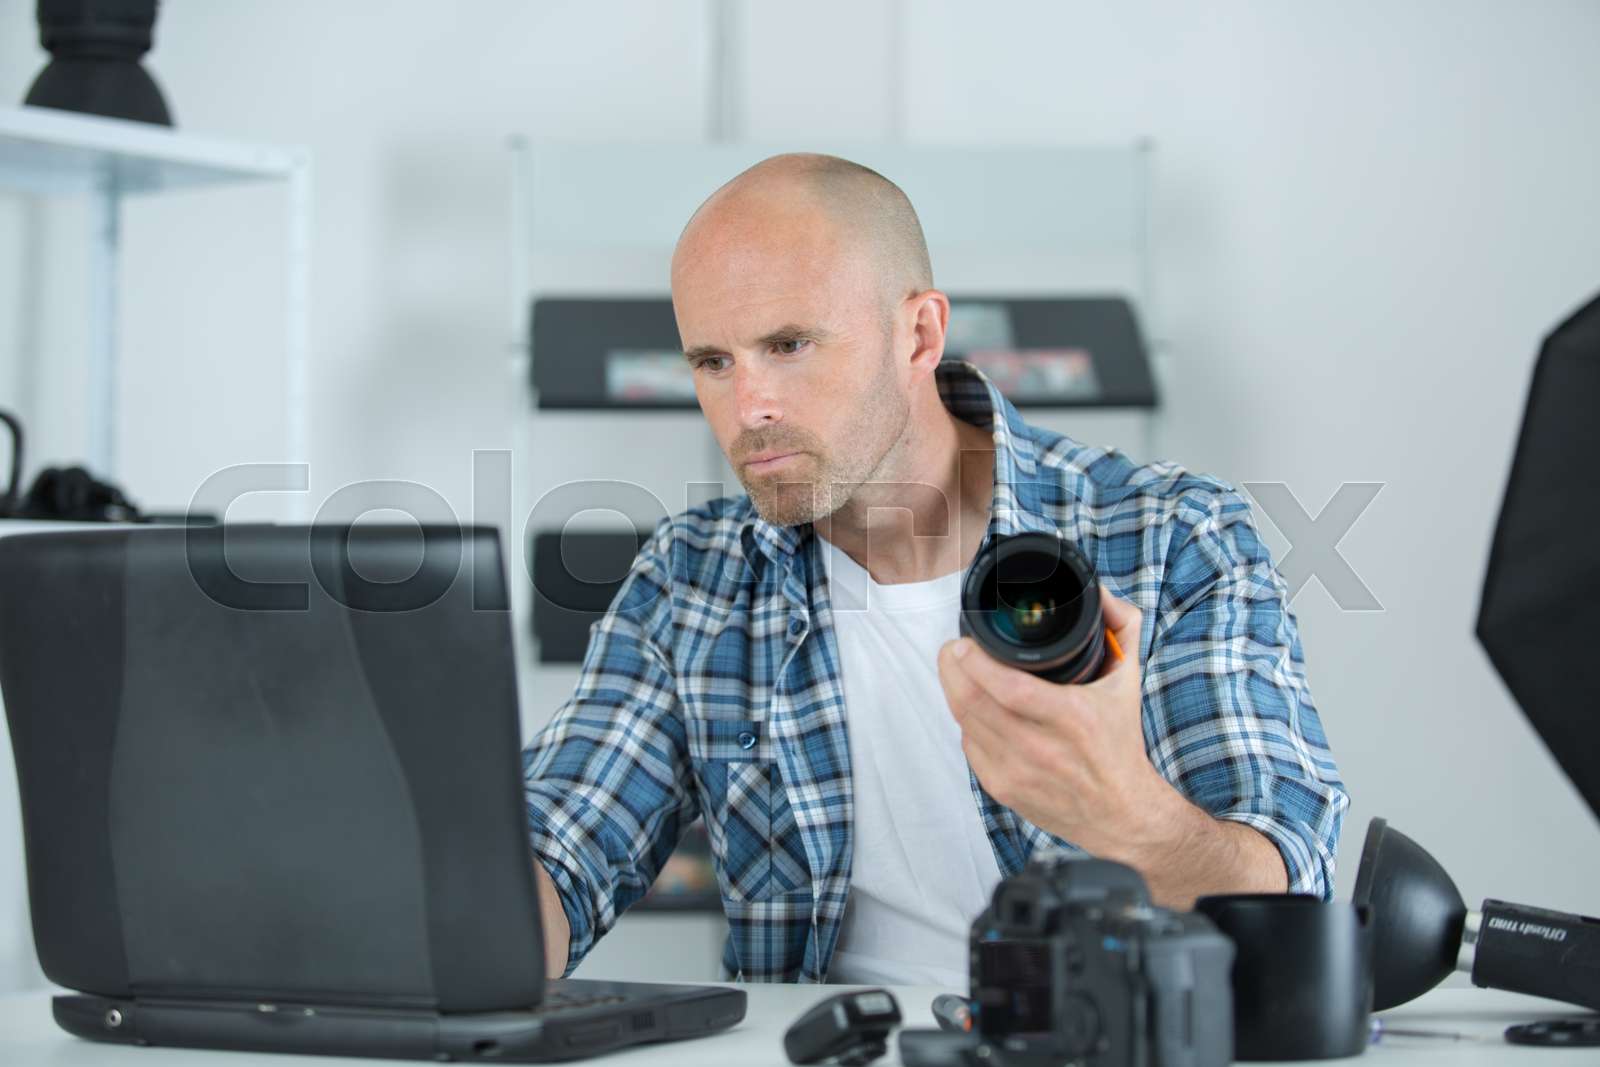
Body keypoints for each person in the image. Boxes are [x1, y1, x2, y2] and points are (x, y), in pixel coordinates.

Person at [522, 153, 1348, 986]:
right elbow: (561, 849)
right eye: (713, 361)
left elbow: (1286, 901)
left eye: (789, 344)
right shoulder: (689, 580)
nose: (748, 408)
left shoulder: (1171, 538)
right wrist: (451, 886)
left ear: (918, 334)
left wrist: (1121, 813)